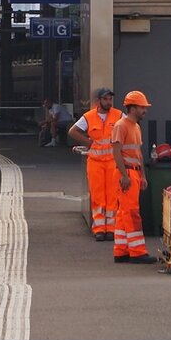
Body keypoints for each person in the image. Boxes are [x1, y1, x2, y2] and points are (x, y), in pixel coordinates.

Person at [68, 87, 123, 240]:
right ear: (98, 101)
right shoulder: (89, 117)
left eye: (110, 99)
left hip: (112, 162)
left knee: (112, 195)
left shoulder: (119, 115)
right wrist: (89, 143)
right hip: (95, 162)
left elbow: (129, 129)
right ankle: (99, 229)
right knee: (98, 196)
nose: (108, 102)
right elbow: (72, 131)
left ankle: (111, 229)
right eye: (105, 99)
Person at [111, 90, 155, 263]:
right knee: (131, 212)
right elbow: (116, 152)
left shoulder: (135, 126)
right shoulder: (121, 125)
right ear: (133, 108)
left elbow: (138, 153)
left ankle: (121, 251)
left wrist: (142, 175)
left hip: (133, 173)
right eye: (142, 107)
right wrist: (124, 175)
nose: (145, 110)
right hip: (127, 173)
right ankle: (137, 252)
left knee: (124, 212)